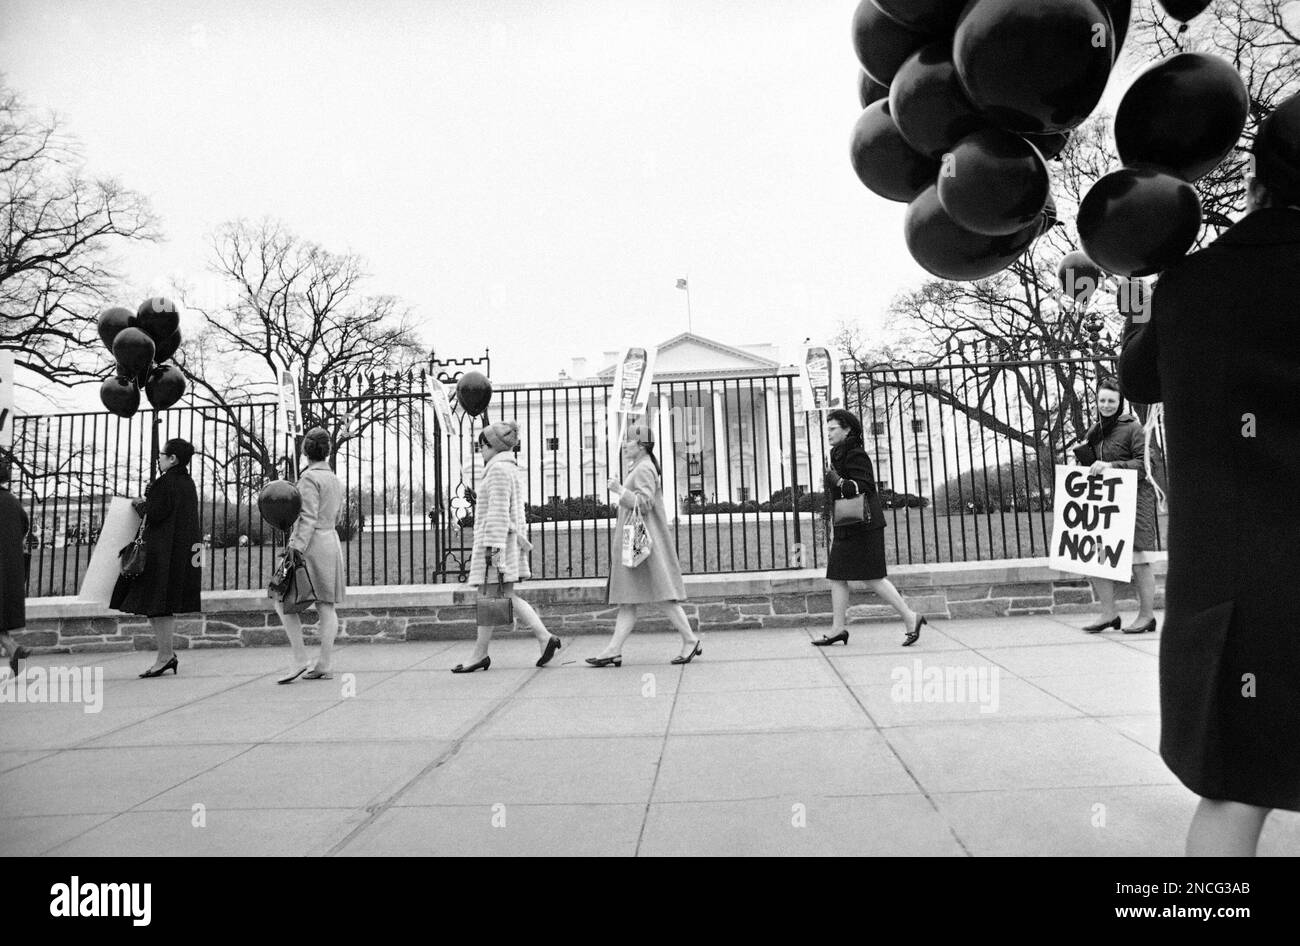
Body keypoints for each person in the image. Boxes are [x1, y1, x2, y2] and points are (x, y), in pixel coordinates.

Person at [1118, 93, 1300, 856]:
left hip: (1235, 590)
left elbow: (1143, 378)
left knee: (1235, 791)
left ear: (1257, 182)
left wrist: (1142, 305)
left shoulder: (1193, 285)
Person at [587, 423, 701, 667]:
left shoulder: (644, 469)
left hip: (644, 544)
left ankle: (690, 640)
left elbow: (645, 503)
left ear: (641, 446)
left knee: (663, 594)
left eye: (629, 441)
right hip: (637, 543)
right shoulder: (640, 466)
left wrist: (619, 490)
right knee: (628, 598)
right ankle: (613, 649)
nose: (625, 445)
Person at [451, 421, 560, 673]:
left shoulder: (498, 470)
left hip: (497, 544)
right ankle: (544, 637)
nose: (480, 451)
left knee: (489, 597)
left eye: (482, 446)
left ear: (493, 446)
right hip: (506, 542)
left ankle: (480, 654)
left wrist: (494, 553)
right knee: (503, 595)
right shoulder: (506, 468)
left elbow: (499, 514)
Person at [813, 409, 925, 648]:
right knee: (837, 576)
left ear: (847, 429)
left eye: (833, 429)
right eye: (828, 429)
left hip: (864, 524)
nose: (829, 433)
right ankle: (837, 629)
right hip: (847, 523)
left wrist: (838, 481)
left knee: (872, 577)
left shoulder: (855, 453)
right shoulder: (839, 453)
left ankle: (910, 617)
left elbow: (865, 486)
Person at [110, 438, 202, 678]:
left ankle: (165, 656)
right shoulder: (187, 482)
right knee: (162, 607)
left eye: (162, 455)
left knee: (157, 606)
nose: (158, 458)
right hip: (180, 555)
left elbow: (156, 514)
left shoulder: (166, 482)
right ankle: (166, 654)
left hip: (161, 555)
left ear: (172, 459)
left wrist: (141, 504)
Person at [1075, 377, 1160, 635]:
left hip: (1135, 502)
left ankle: (1147, 617)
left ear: (1120, 402)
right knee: (1096, 557)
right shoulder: (1095, 431)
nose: (1106, 405)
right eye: (1102, 400)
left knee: (1138, 560)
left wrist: (1111, 466)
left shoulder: (1135, 428)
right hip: (1107, 504)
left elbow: (1147, 466)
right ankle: (1109, 614)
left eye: (1111, 400)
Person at [273, 428, 347, 683]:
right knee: (326, 605)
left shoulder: (307, 479)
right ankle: (324, 663)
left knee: (280, 597)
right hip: (331, 542)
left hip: (311, 544)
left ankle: (300, 658)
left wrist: (295, 549)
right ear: (327, 451)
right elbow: (337, 516)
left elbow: (306, 519)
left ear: (305, 452)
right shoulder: (334, 479)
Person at [0, 460, 32, 677]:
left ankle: (12, 649)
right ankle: (13, 651)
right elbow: (24, 527)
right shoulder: (11, 501)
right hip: (9, 568)